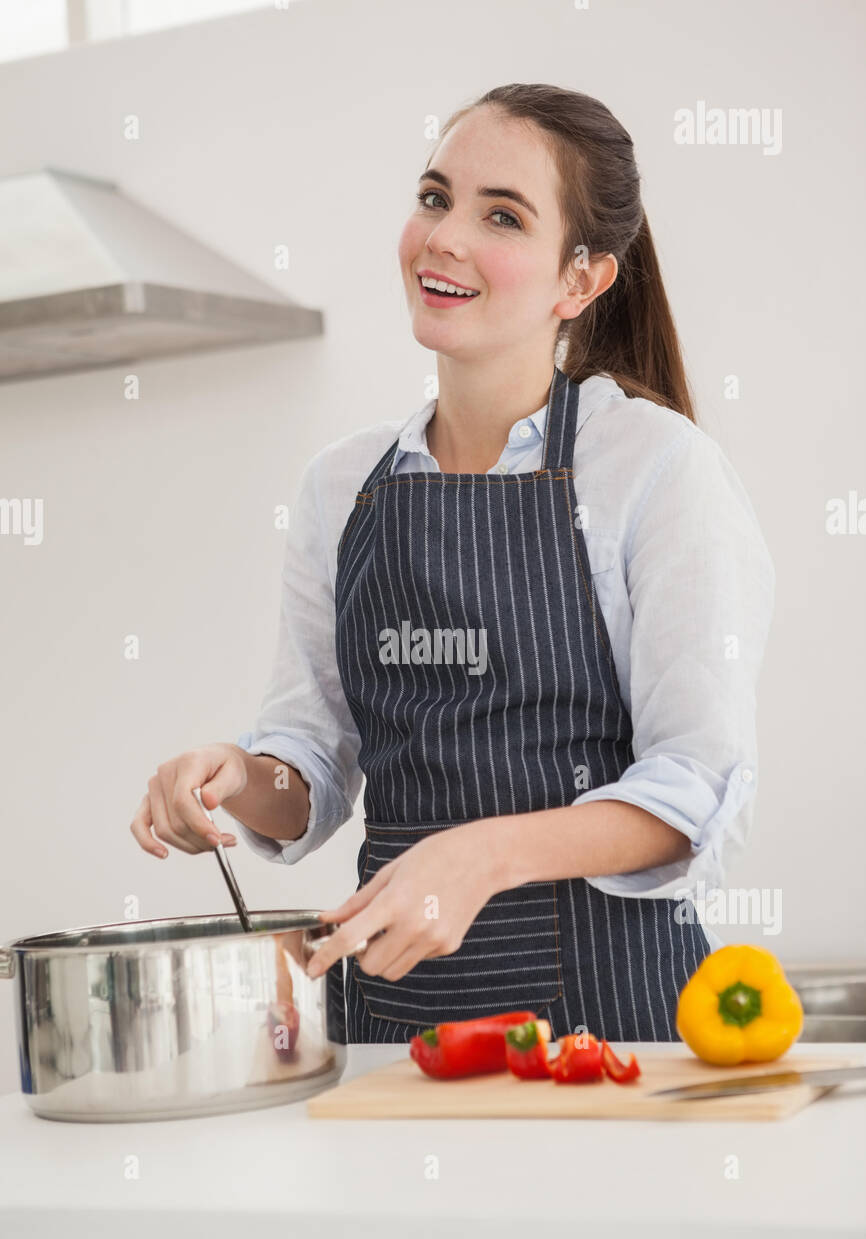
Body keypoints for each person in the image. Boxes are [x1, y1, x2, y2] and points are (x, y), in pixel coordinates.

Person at [131, 83, 774, 1046]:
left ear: (582, 280)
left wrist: (484, 856)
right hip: (395, 1042)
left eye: (502, 215)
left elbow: (692, 788)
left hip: (617, 1040)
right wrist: (234, 776)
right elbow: (307, 762)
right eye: (435, 198)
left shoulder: (656, 468)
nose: (445, 236)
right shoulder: (341, 488)